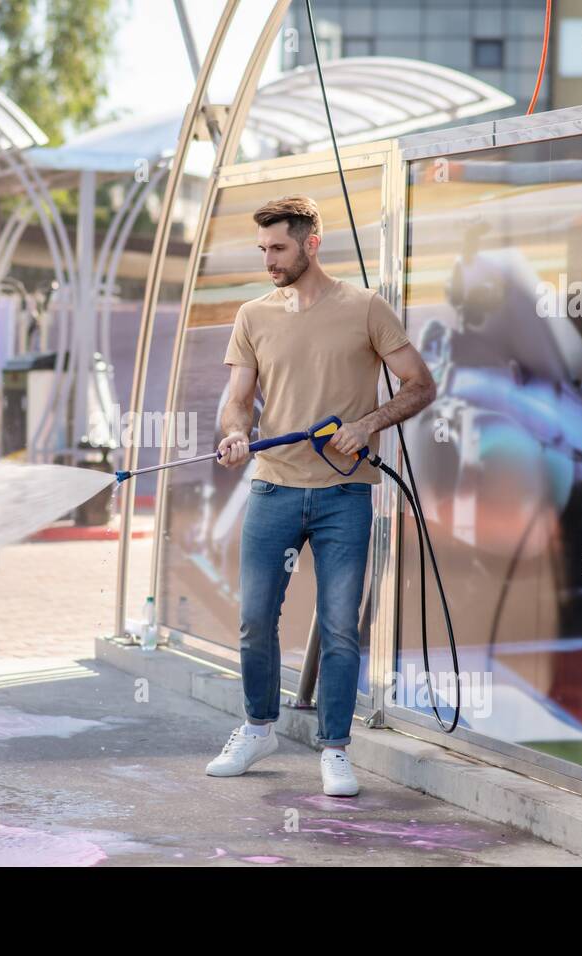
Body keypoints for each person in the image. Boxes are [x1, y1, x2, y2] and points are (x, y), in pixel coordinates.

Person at [205, 194, 435, 796]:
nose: (268, 260)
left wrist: (369, 424)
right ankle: (258, 728)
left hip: (344, 495)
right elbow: (237, 398)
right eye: (262, 249)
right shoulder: (254, 314)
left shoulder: (365, 308)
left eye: (278, 247)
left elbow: (420, 385)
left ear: (312, 243)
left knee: (339, 628)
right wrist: (236, 435)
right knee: (256, 621)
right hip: (274, 488)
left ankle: (335, 749)